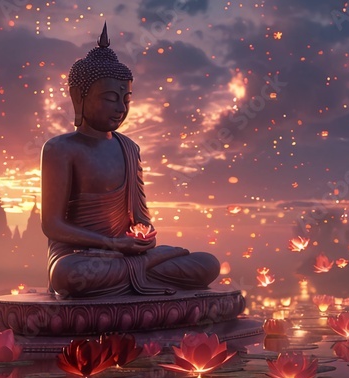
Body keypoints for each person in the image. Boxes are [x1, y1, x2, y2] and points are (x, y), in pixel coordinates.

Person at [41, 24, 220, 298]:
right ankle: (146, 269)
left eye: (126, 99)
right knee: (68, 277)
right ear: (79, 97)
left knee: (207, 264)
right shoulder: (60, 148)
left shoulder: (129, 148)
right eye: (111, 98)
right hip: (80, 258)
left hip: (125, 256)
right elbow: (52, 226)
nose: (121, 108)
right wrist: (111, 244)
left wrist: (143, 238)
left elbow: (140, 218)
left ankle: (142, 268)